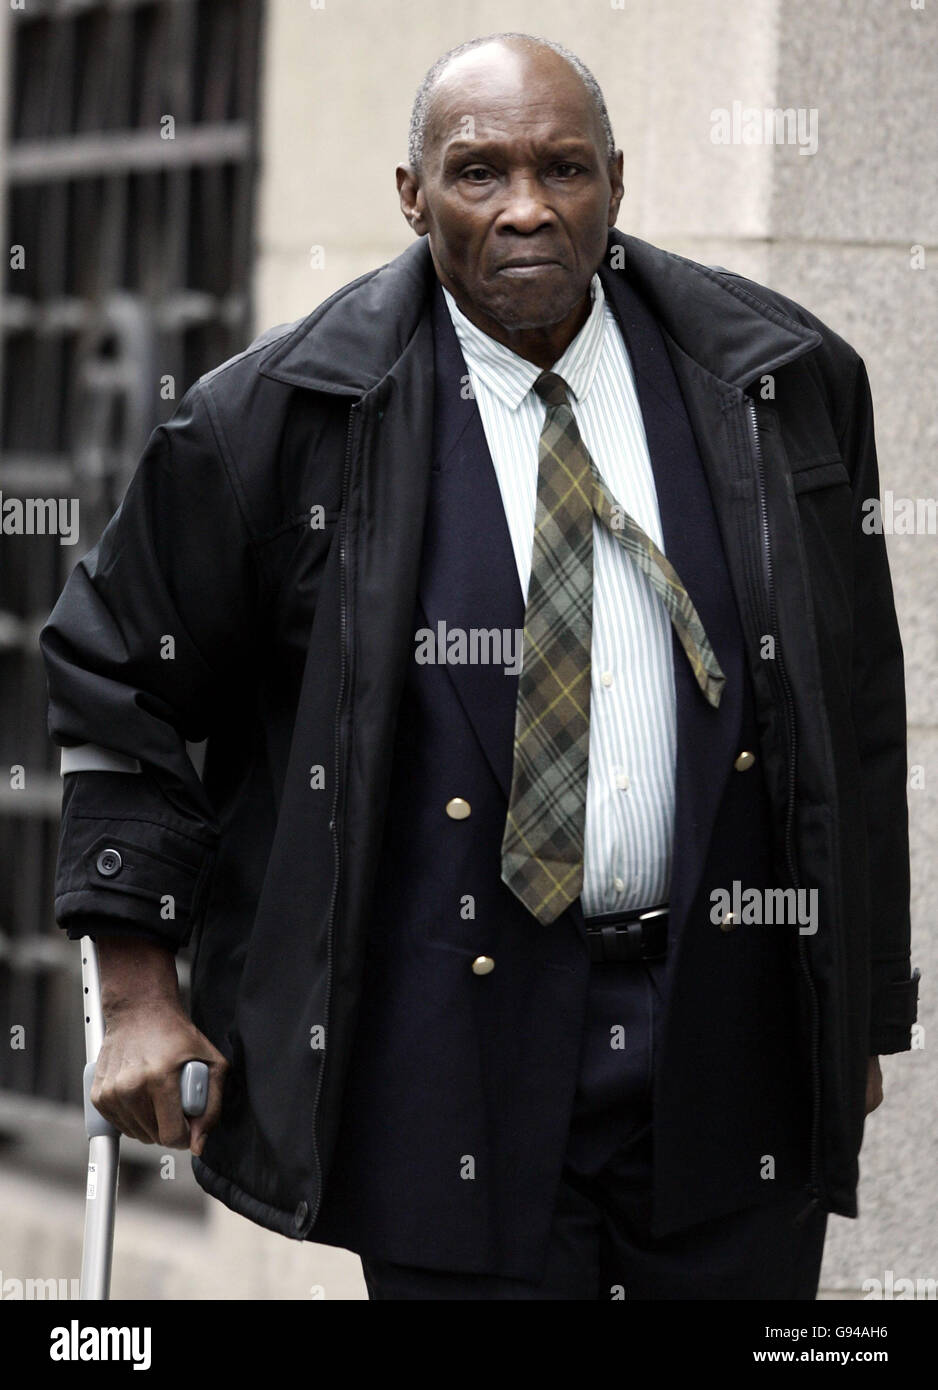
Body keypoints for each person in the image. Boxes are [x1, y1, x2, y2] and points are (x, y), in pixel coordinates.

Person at [41, 33, 918, 1300]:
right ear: (410, 194)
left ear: (615, 180)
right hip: (442, 1056)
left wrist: (858, 1009)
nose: (524, 207)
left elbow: (857, 718)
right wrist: (134, 994)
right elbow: (123, 687)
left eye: (562, 169)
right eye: (477, 172)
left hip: (726, 1041)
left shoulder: (779, 384)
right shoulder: (278, 417)